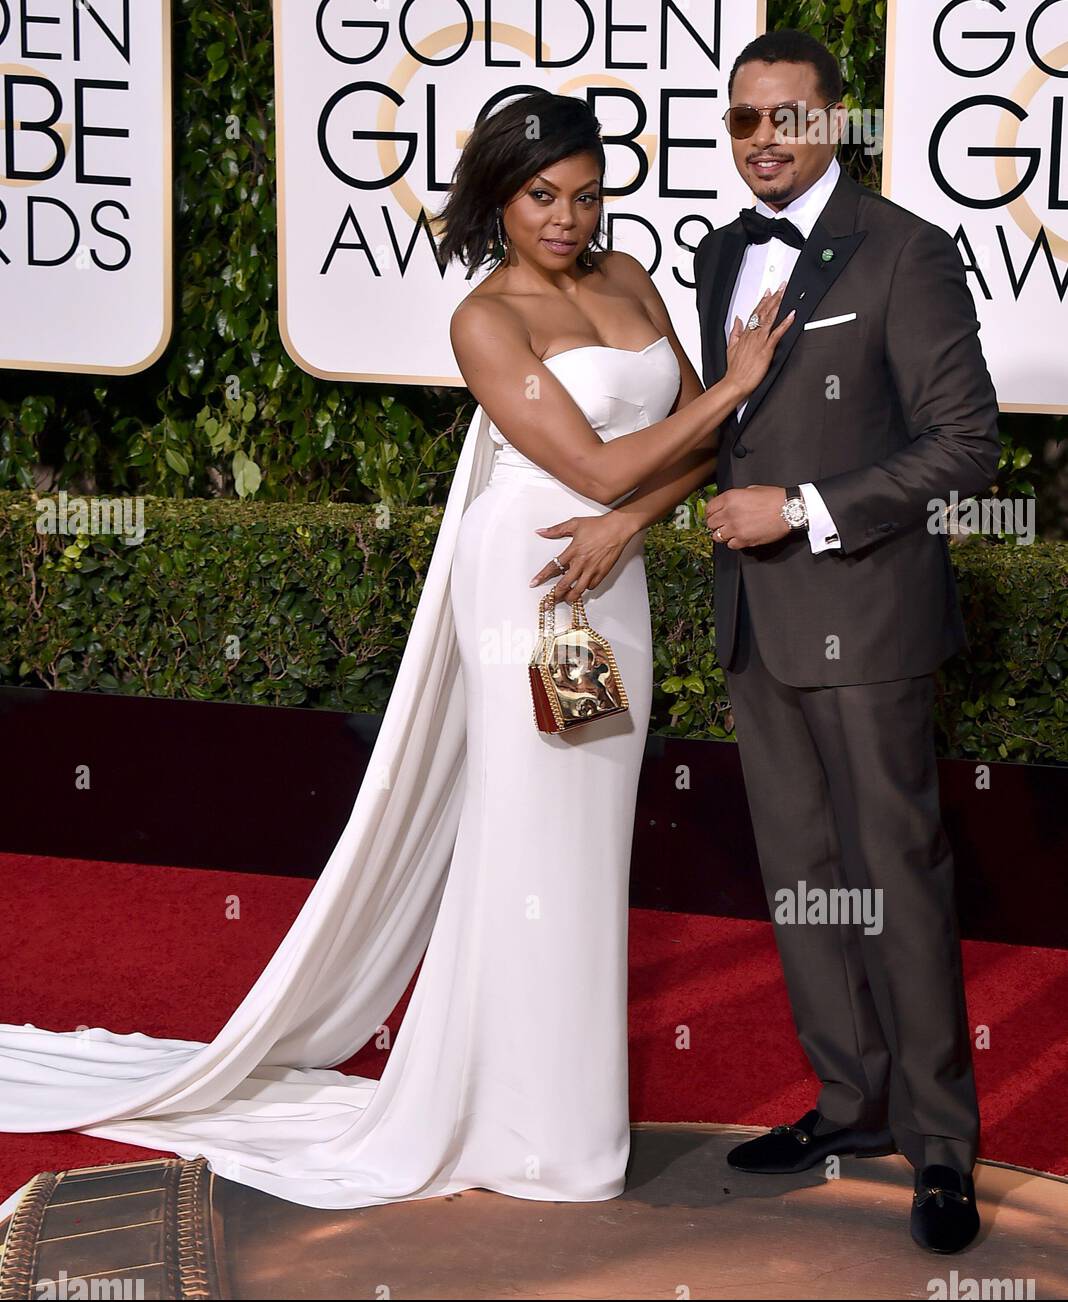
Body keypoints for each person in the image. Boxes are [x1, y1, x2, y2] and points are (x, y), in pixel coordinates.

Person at [0, 92, 789, 1223]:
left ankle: (552, 1111)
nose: (567, 218)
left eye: (586, 194)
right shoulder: (486, 319)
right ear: (499, 200)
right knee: (533, 837)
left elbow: (682, 458)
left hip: (608, 578)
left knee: (588, 838)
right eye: (541, 197)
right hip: (530, 579)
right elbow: (602, 464)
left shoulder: (627, 280)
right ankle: (520, 1125)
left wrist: (630, 522)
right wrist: (721, 397)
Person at [690, 30, 1000, 1255]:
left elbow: (964, 442)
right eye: (742, 121)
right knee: (805, 878)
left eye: (784, 117)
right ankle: (845, 1104)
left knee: (898, 880)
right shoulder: (719, 253)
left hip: (863, 616)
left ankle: (939, 1144)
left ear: (833, 123)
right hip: (755, 626)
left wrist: (804, 512)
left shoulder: (907, 250)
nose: (762, 139)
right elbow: (723, 429)